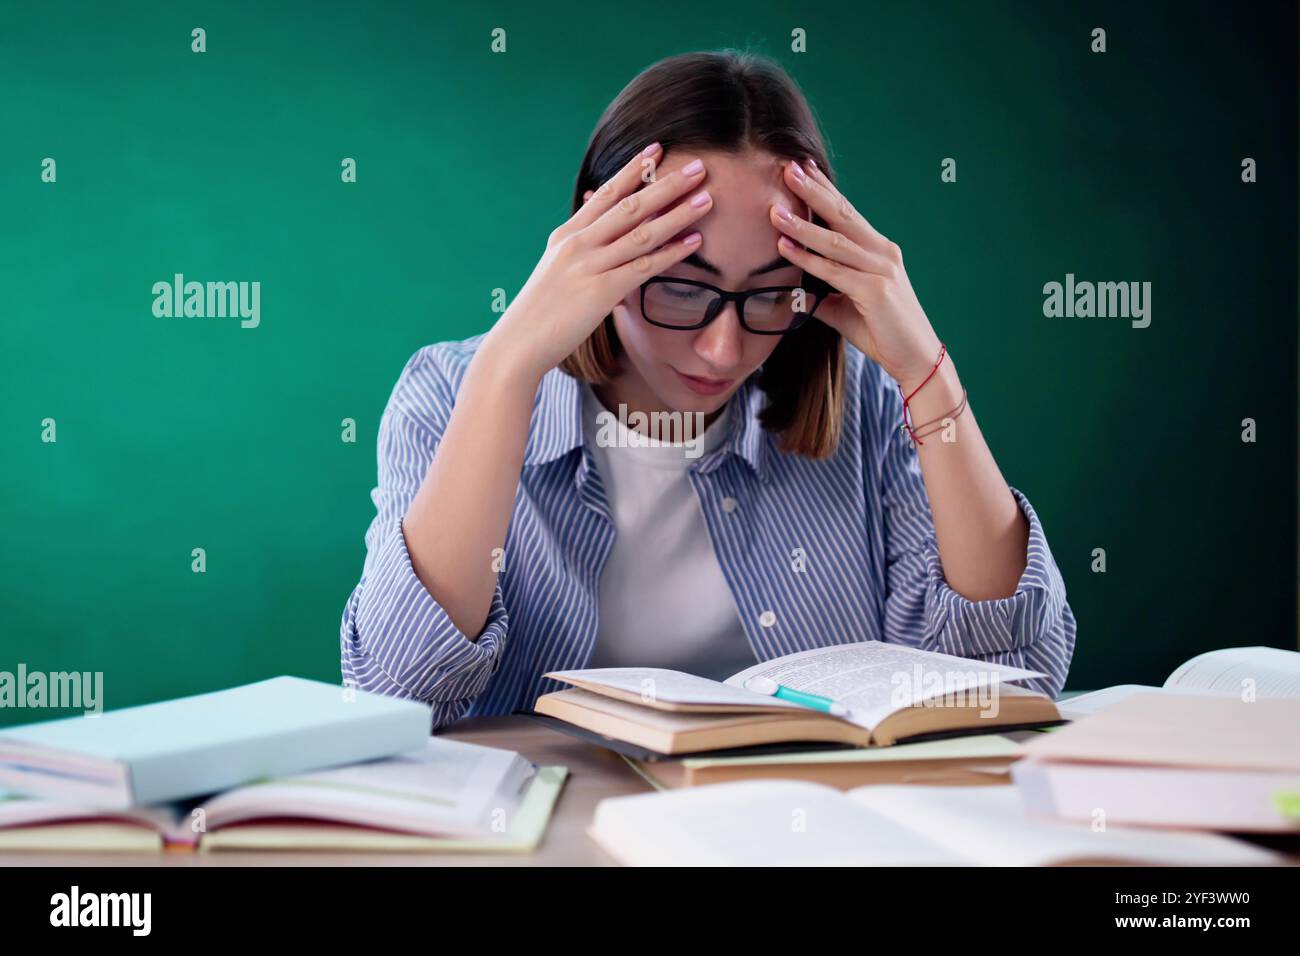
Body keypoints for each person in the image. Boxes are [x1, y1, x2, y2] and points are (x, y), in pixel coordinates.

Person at [339, 50, 1076, 731]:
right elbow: (402, 697)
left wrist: (925, 373)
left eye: (769, 297)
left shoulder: (872, 408)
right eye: (685, 291)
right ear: (601, 239)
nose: (724, 350)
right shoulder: (444, 394)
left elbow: (1008, 680)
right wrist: (506, 371)